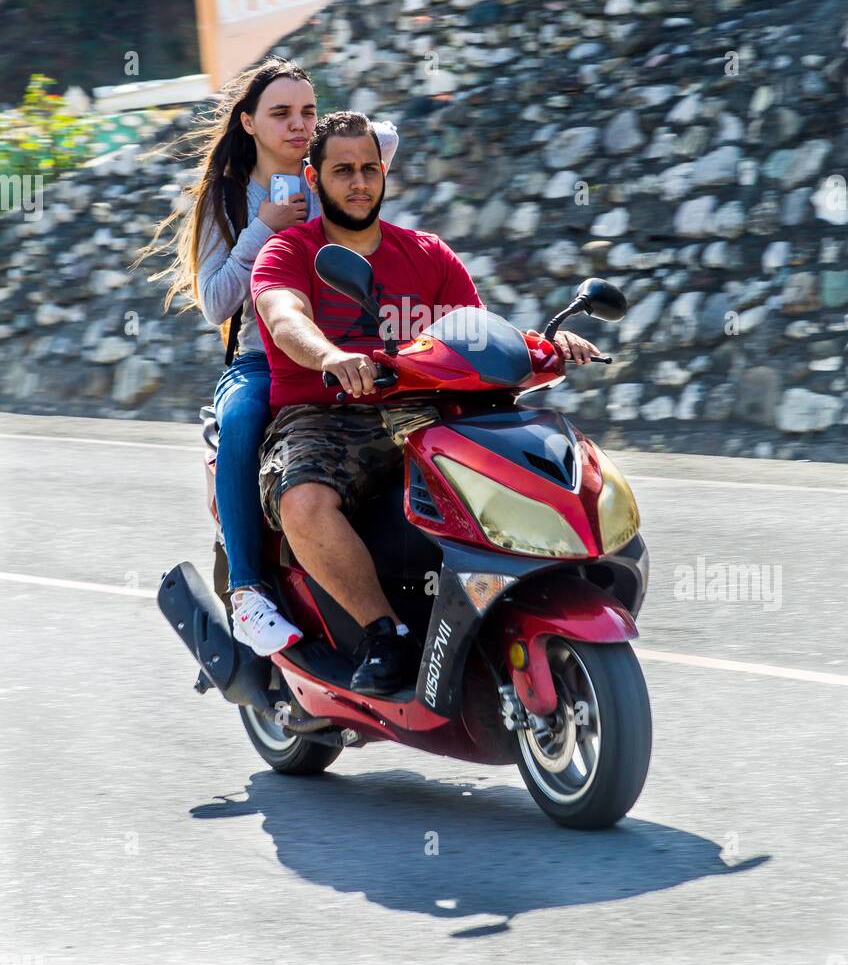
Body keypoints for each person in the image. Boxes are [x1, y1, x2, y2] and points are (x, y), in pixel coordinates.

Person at [250, 111, 600, 697]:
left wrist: (547, 346)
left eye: (369, 169)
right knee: (304, 501)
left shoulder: (429, 254)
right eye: (342, 171)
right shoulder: (289, 251)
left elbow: (476, 334)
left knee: (520, 467)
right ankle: (382, 633)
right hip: (330, 413)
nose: (359, 182)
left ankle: (524, 590)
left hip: (429, 410)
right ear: (312, 178)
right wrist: (332, 356)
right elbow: (285, 319)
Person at [136, 58, 398, 657]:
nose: (298, 124)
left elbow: (385, 139)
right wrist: (263, 227)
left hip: (351, 348)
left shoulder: (329, 170)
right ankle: (250, 593)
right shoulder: (225, 201)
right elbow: (217, 303)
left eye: (308, 111)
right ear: (248, 123)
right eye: (280, 114)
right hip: (260, 358)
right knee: (243, 420)